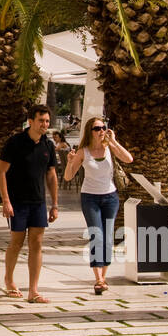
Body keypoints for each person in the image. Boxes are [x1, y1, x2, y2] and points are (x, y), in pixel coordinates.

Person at [63, 117, 133, 295]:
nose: (101, 131)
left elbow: (129, 159)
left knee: (108, 237)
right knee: (97, 235)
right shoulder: (83, 151)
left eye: (103, 127)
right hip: (90, 198)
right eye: (97, 128)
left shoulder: (110, 148)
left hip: (110, 197)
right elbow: (68, 177)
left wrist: (114, 141)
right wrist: (71, 162)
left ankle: (103, 276)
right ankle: (98, 278)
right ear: (90, 131)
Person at [0, 105, 59, 304]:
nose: (45, 125)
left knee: (37, 243)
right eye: (41, 121)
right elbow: (1, 172)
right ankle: (9, 279)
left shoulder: (48, 145)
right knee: (16, 241)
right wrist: (6, 201)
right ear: (30, 121)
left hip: (38, 201)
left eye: (47, 121)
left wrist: (55, 204)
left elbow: (51, 175)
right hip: (17, 201)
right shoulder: (15, 143)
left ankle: (33, 290)